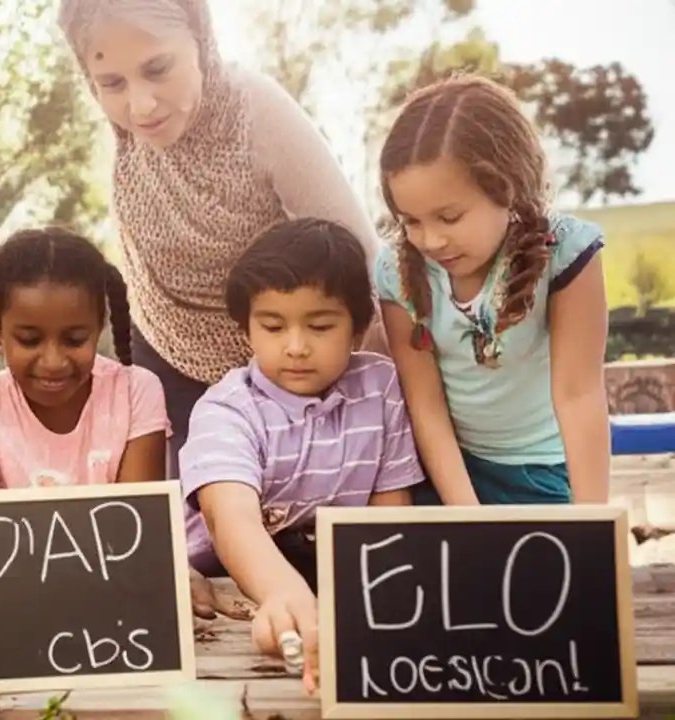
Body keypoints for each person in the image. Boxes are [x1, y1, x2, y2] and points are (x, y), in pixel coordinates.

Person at [55, 0, 388, 487]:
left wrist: (388, 399)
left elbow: (365, 264)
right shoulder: (126, 126)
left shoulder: (257, 111)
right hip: (167, 356)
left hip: (282, 360)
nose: (141, 104)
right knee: (198, 532)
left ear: (201, 40)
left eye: (158, 68)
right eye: (112, 83)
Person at [181, 218, 425, 692]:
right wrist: (281, 594)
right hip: (227, 582)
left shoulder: (382, 389)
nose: (295, 347)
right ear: (247, 326)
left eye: (319, 326)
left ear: (358, 328)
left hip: (335, 577)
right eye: (272, 325)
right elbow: (231, 518)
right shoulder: (227, 409)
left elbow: (388, 518)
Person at [375, 75, 609, 506]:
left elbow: (579, 395)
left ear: (509, 188)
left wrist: (593, 526)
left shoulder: (568, 255)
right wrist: (469, 518)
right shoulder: (396, 270)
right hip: (445, 471)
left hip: (538, 472)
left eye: (449, 217)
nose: (430, 240)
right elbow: (425, 406)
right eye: (411, 221)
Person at [0, 227, 169, 490]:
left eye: (74, 340)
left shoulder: (135, 394)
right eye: (30, 340)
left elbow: (137, 520)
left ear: (100, 327)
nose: (53, 362)